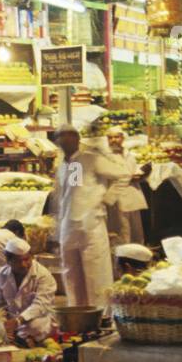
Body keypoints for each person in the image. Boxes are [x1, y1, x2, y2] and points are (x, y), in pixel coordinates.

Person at [52, 125, 127, 309]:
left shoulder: (91, 159)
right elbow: (71, 193)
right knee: (71, 273)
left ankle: (101, 314)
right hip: (69, 225)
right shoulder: (66, 164)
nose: (66, 140)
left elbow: (124, 175)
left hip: (91, 223)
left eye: (70, 136)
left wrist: (106, 200)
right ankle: (77, 311)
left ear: (78, 139)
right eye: (61, 136)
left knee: (96, 272)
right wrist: (56, 229)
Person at [0, 237, 56, 345]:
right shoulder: (2, 274)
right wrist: (2, 321)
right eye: (19, 261)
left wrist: (17, 321)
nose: (24, 264)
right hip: (11, 319)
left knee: (35, 326)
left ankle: (20, 337)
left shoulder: (43, 275)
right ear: (8, 261)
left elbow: (41, 305)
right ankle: (19, 337)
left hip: (35, 319)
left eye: (27, 259)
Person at [102, 129, 146, 246]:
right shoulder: (105, 156)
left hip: (131, 194)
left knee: (135, 226)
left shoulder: (128, 154)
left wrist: (139, 175)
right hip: (115, 195)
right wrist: (129, 177)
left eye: (116, 137)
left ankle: (136, 252)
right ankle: (122, 255)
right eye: (110, 138)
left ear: (123, 139)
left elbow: (133, 169)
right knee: (121, 227)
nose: (113, 140)